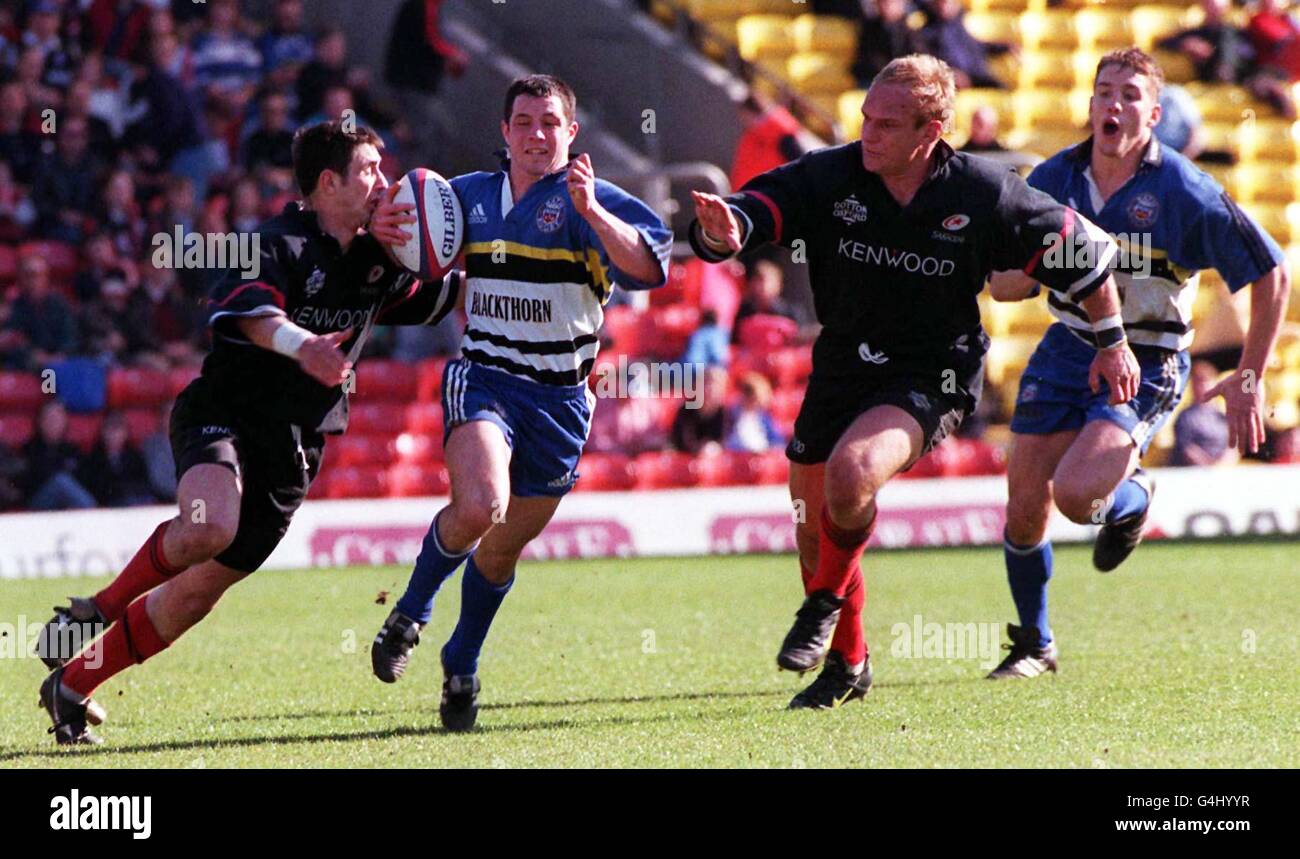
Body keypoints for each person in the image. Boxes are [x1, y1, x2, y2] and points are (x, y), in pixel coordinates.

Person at [689, 54, 1136, 709]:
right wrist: (727, 229)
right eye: (867, 118)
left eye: (888, 125)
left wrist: (1114, 342)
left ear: (931, 132)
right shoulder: (834, 173)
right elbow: (759, 207)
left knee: (852, 472)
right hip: (841, 368)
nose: (868, 134)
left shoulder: (985, 194)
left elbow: (1088, 255)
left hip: (932, 372)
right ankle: (848, 663)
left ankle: (820, 602)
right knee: (812, 525)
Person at [34, 120, 462, 745]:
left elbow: (441, 292)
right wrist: (304, 345)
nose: (383, 183)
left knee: (196, 596)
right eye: (370, 170)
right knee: (209, 524)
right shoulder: (275, 242)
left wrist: (474, 241)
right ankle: (97, 609)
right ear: (327, 183)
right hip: (224, 413)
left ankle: (71, 686)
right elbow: (253, 315)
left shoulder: (382, 257)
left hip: (293, 450)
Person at [371, 75, 672, 732]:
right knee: (482, 504)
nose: (537, 134)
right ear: (504, 132)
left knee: (501, 551)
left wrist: (593, 212)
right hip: (486, 380)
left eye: (550, 122)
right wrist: (382, 227)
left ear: (572, 133)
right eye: (525, 122)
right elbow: (407, 253)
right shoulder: (465, 198)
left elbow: (649, 270)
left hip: (562, 404)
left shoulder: (599, 202)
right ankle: (410, 614)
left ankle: (462, 659)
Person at [987, 48, 1289, 679]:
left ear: (1153, 114)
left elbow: (1270, 274)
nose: (1113, 105)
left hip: (1149, 355)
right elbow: (1008, 282)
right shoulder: (1054, 180)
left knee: (1073, 496)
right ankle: (1034, 644)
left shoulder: (1184, 190)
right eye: (1104, 93)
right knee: (1021, 503)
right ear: (1091, 105)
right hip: (1069, 343)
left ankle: (1130, 497)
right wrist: (1005, 273)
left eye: (1129, 95)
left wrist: (1251, 376)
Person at [21, 400, 95, 511]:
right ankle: (93, 513)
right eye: (49, 418)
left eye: (57, 418)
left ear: (65, 421)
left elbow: (84, 480)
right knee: (61, 481)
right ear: (40, 422)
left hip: (69, 505)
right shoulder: (29, 449)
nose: (53, 423)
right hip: (38, 506)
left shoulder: (72, 450)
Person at [1170, 361, 1237, 467]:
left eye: (1207, 382)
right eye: (1199, 383)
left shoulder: (1222, 416)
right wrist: (1208, 467)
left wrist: (1222, 466)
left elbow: (1233, 446)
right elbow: (1187, 448)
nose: (1203, 387)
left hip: (1223, 472)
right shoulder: (1185, 417)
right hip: (1194, 472)